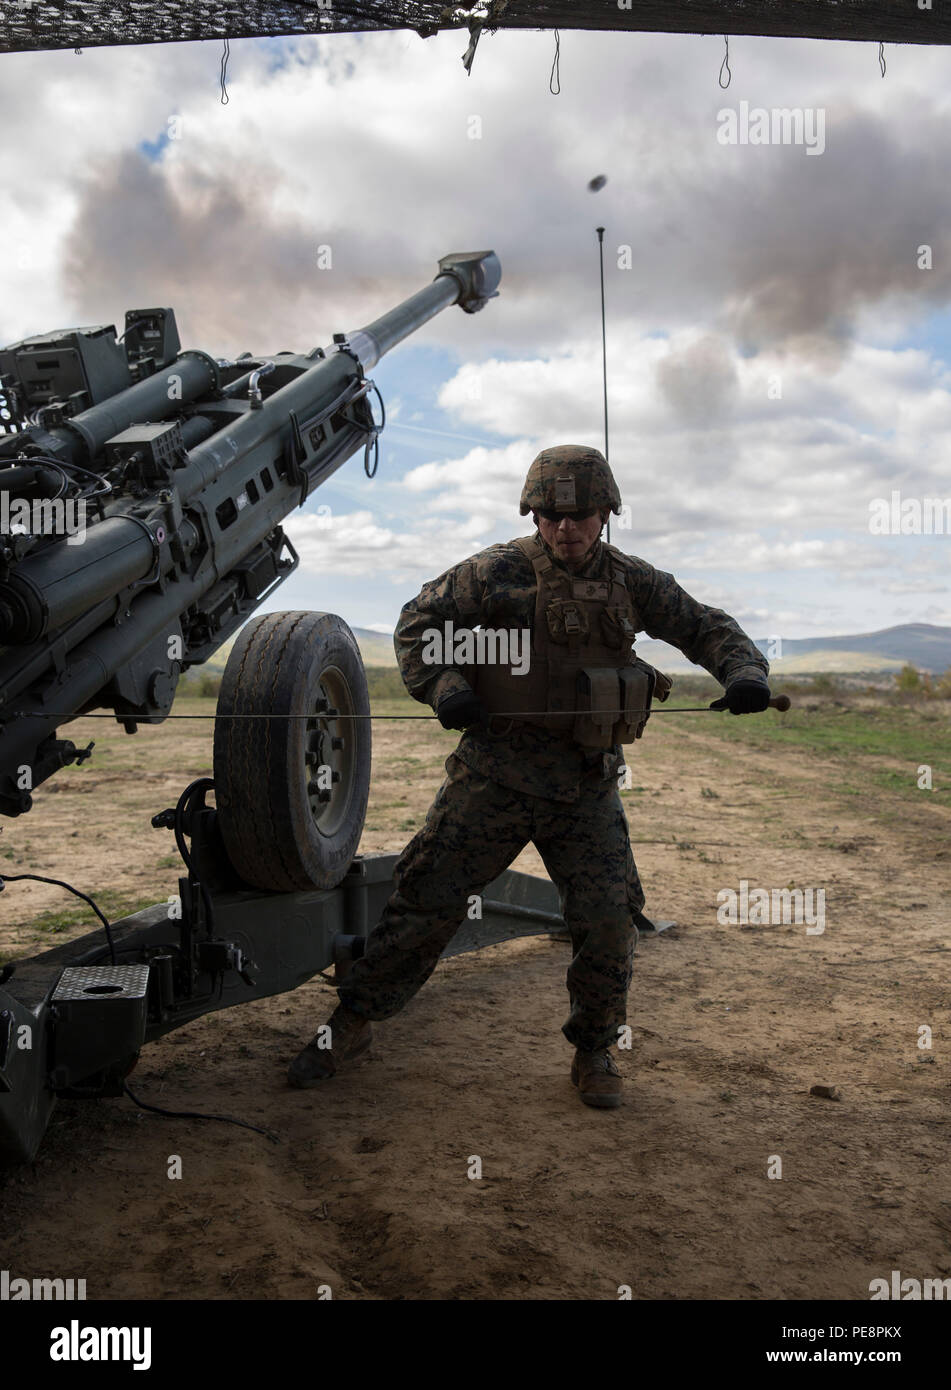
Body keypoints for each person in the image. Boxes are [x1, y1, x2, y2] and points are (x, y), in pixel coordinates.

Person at [288, 445, 771, 1107]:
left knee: (605, 920)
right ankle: (351, 1023)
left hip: (585, 784)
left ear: (605, 514)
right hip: (494, 777)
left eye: (579, 515)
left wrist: (742, 673)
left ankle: (595, 1051)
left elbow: (702, 625)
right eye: (549, 514)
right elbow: (418, 624)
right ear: (533, 514)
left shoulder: (634, 583)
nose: (563, 528)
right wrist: (446, 687)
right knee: (424, 900)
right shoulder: (496, 572)